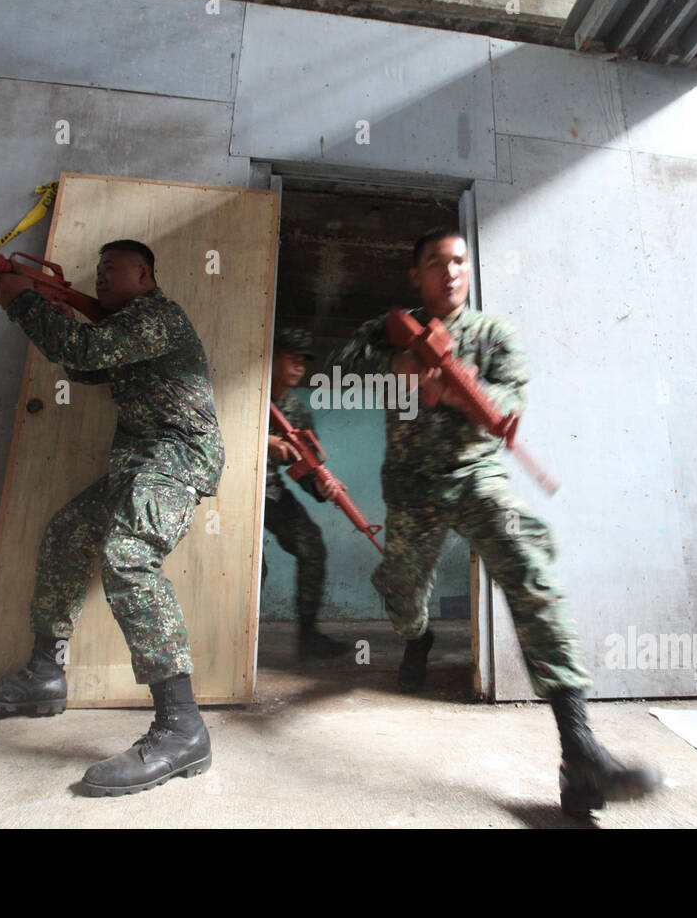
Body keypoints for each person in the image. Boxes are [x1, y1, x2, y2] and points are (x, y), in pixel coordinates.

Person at [333, 228, 660, 818]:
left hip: (477, 477)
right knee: (402, 595)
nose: (450, 272)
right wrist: (400, 362)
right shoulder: (391, 323)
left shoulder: (492, 334)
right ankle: (419, 637)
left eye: (459, 261)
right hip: (409, 485)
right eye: (435, 262)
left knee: (530, 568)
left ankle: (580, 750)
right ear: (416, 274)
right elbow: (345, 364)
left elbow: (509, 404)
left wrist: (462, 392)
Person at [0, 239, 225, 797]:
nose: (101, 277)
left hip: (176, 457)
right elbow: (89, 366)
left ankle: (182, 728)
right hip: (138, 462)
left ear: (145, 273)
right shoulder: (125, 327)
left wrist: (23, 303)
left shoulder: (157, 315)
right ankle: (44, 673)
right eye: (98, 270)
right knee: (66, 534)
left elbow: (82, 353)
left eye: (113, 268)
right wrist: (54, 314)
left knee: (128, 558)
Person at [265, 329, 350, 659]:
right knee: (252, 567)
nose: (299, 365)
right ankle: (231, 644)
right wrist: (263, 442)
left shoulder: (297, 412)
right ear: (270, 356)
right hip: (231, 488)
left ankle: (308, 637)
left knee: (312, 546)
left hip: (271, 492)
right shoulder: (247, 394)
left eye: (303, 360)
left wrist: (320, 486)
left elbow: (304, 469)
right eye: (291, 356)